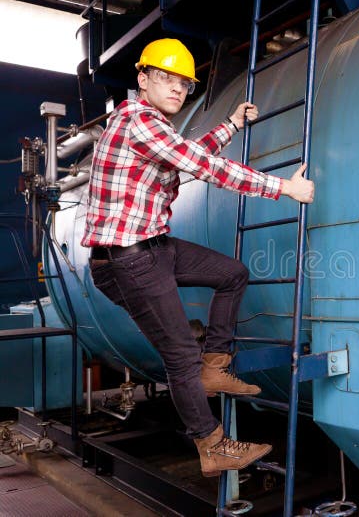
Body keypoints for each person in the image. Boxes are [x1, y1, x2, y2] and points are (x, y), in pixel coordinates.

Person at [81, 38, 314, 477]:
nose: (177, 89)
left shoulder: (155, 130)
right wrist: (282, 188)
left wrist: (230, 123)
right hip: (128, 260)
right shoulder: (139, 121)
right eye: (165, 78)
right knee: (179, 353)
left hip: (151, 248)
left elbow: (189, 154)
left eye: (185, 84)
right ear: (143, 78)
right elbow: (205, 167)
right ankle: (212, 445)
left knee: (232, 274)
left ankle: (215, 365)